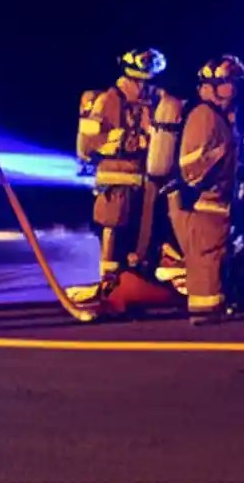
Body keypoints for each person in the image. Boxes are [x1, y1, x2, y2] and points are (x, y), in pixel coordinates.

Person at [68, 48, 183, 307]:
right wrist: (127, 139)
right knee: (113, 229)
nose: (144, 87)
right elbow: (88, 144)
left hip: (146, 180)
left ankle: (136, 280)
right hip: (115, 178)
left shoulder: (155, 100)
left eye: (148, 80)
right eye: (139, 81)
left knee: (144, 233)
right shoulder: (107, 100)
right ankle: (108, 282)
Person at [168, 55, 244, 324]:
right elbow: (190, 168)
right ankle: (205, 312)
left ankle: (211, 308)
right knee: (206, 260)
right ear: (212, 86)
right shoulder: (204, 116)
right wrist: (222, 153)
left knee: (213, 260)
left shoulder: (221, 117)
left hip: (214, 205)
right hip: (202, 206)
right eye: (227, 84)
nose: (233, 90)